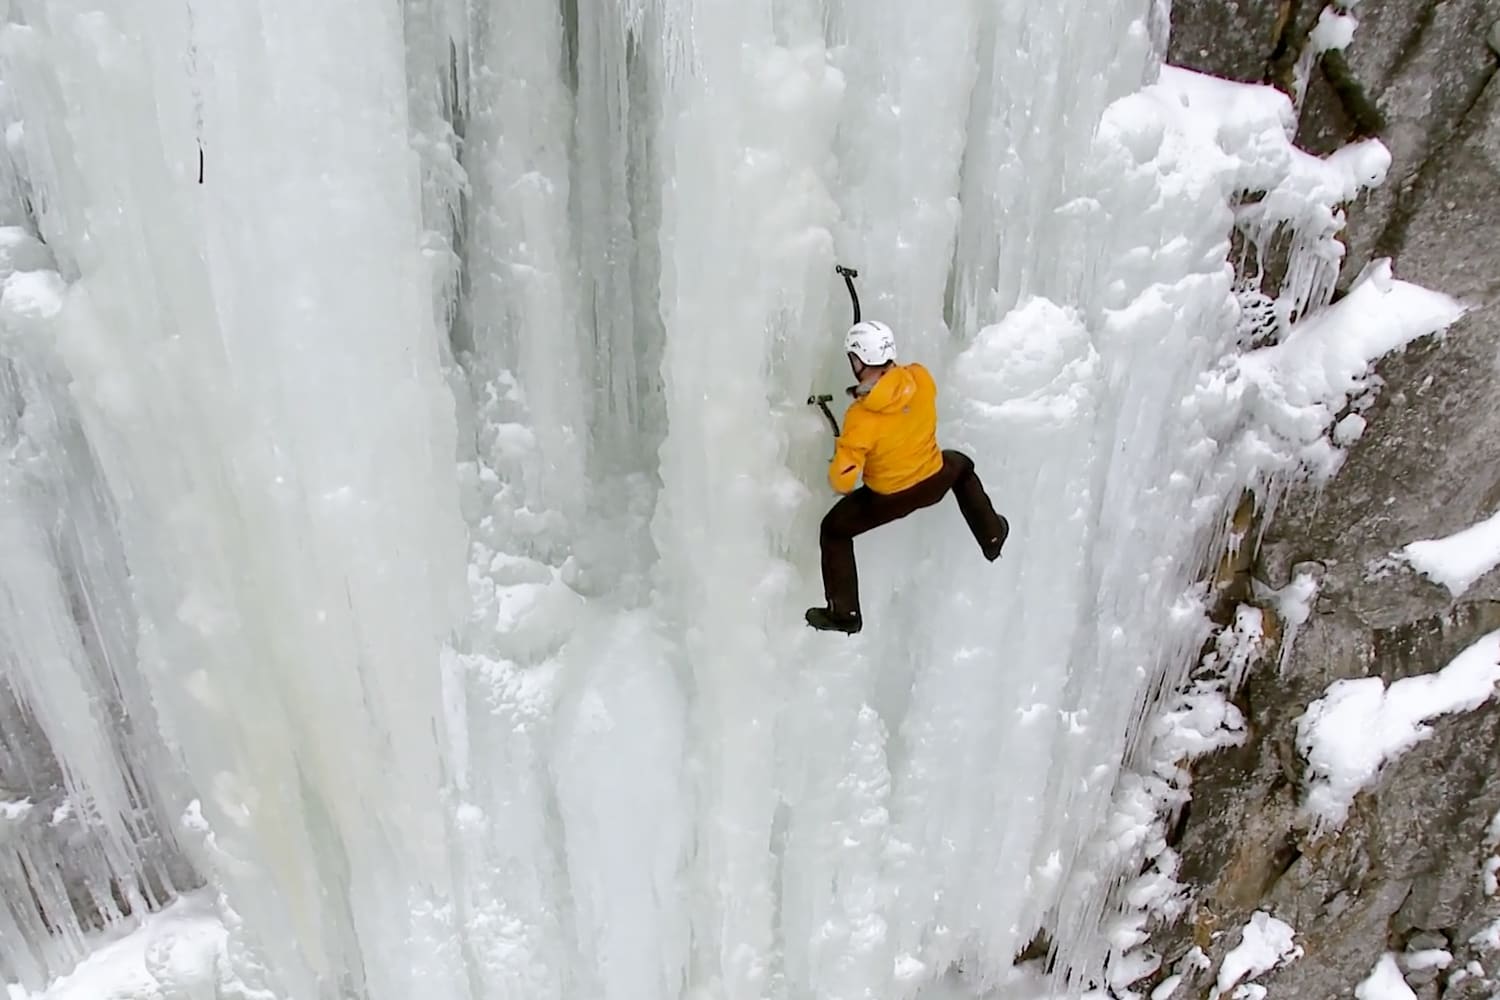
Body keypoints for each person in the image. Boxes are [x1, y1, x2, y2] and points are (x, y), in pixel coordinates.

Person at [805, 320, 1009, 635]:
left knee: (833, 531)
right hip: (934, 479)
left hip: (888, 499)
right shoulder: (921, 378)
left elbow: (843, 482)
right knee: (962, 466)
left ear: (858, 362)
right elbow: (901, 392)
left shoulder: (861, 418)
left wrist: (842, 456)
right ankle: (992, 536)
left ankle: (844, 612)